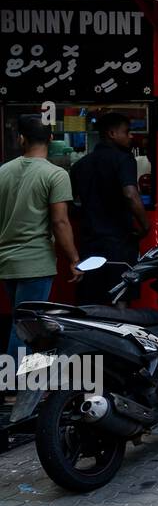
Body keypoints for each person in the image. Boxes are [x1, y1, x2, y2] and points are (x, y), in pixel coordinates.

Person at [0, 115, 81, 385]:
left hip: (7, 261)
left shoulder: (3, 172)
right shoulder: (56, 174)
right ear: (50, 139)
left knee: (20, 320)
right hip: (36, 261)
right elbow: (59, 221)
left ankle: (29, 382)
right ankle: (15, 386)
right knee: (27, 325)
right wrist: (73, 258)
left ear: (20, 139)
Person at [71, 112, 150, 306]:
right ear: (112, 133)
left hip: (90, 243)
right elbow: (130, 194)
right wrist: (145, 226)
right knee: (120, 296)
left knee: (91, 300)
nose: (131, 136)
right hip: (119, 244)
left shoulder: (81, 165)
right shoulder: (124, 159)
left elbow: (69, 202)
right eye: (127, 131)